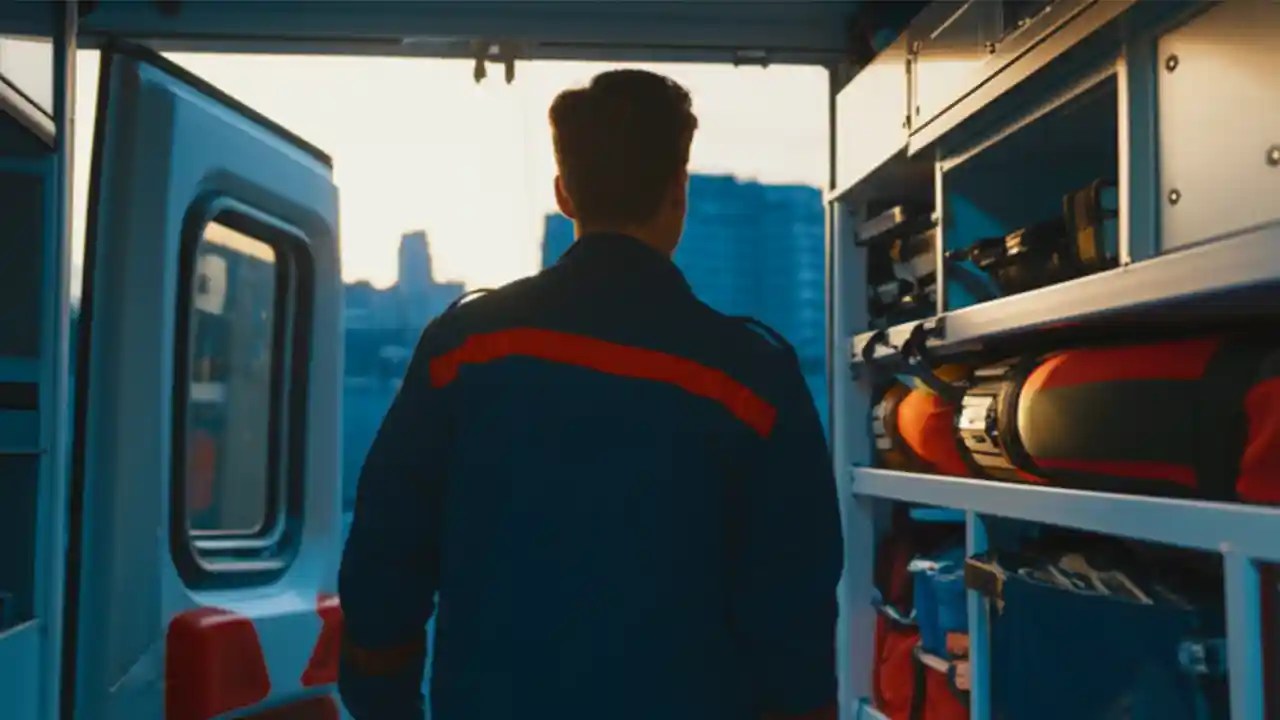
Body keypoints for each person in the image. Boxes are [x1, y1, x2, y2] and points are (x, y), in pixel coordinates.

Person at [338, 69, 843, 720]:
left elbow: (385, 557)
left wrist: (387, 706)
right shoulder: (753, 380)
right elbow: (794, 608)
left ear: (565, 194)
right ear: (677, 193)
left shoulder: (464, 349)